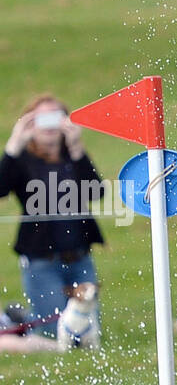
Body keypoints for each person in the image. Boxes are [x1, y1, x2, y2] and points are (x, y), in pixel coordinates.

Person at [0, 94, 105, 336]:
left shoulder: (73, 156)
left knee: (86, 330)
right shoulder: (22, 160)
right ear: (30, 123)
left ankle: (18, 316)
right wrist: (14, 144)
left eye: (55, 117)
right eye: (41, 119)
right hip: (42, 260)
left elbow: (96, 191)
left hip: (79, 256)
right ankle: (15, 318)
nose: (49, 126)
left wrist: (77, 148)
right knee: (51, 331)